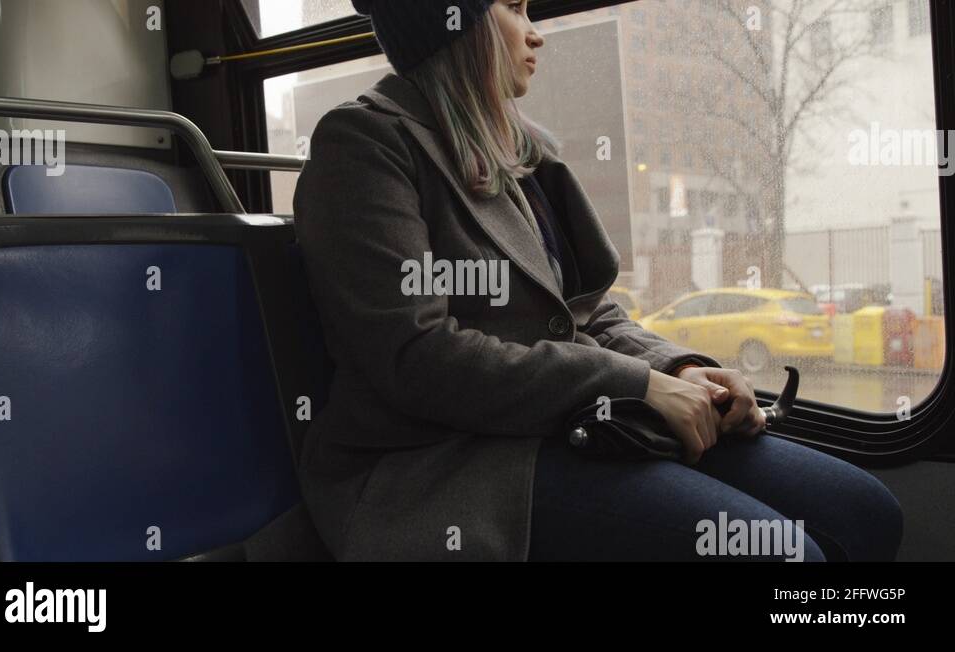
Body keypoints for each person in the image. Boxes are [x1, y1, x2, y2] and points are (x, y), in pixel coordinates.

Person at [292, 0, 903, 561]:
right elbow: (417, 358)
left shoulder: (522, 151)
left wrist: (678, 369)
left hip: (570, 424)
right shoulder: (366, 145)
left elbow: (586, 314)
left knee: (865, 514)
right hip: (447, 461)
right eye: (514, 7)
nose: (536, 34)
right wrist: (633, 386)